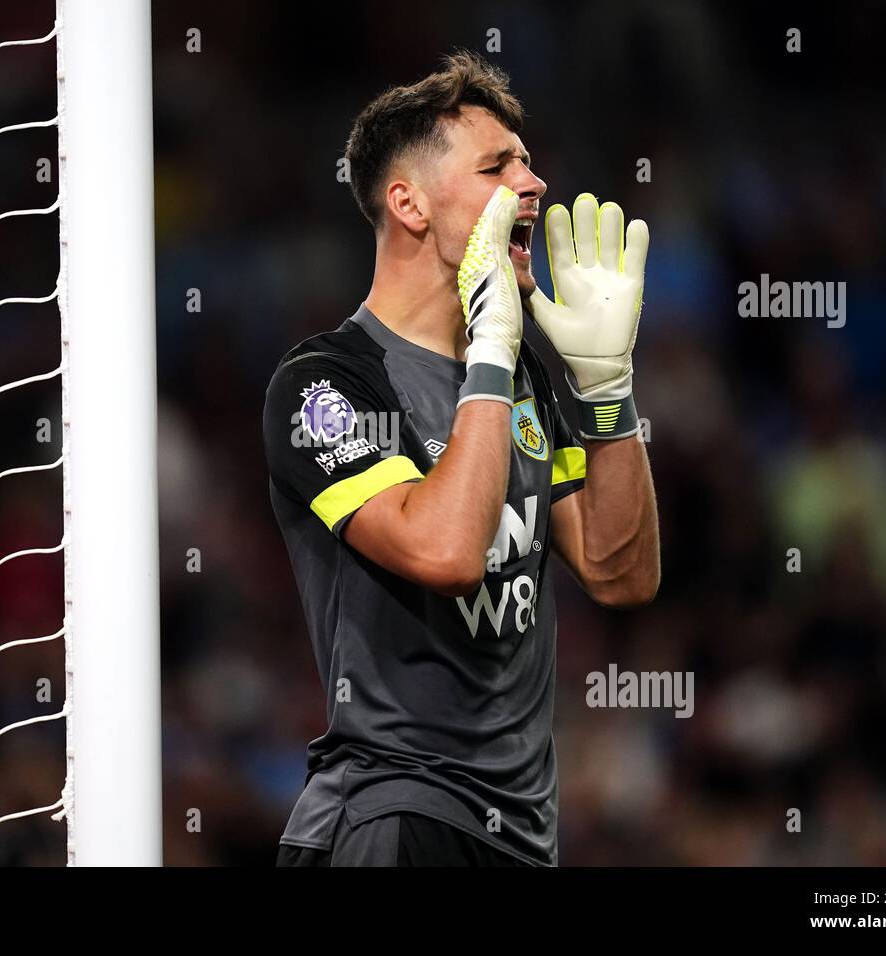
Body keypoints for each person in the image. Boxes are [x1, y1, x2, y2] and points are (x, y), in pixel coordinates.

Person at [262, 51, 660, 866]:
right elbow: (444, 551)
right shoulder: (327, 383)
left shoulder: (516, 375)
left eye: (527, 159)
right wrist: (490, 349)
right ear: (407, 203)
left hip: (521, 835)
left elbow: (622, 572)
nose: (534, 182)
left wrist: (609, 391)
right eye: (497, 165)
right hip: (393, 814)